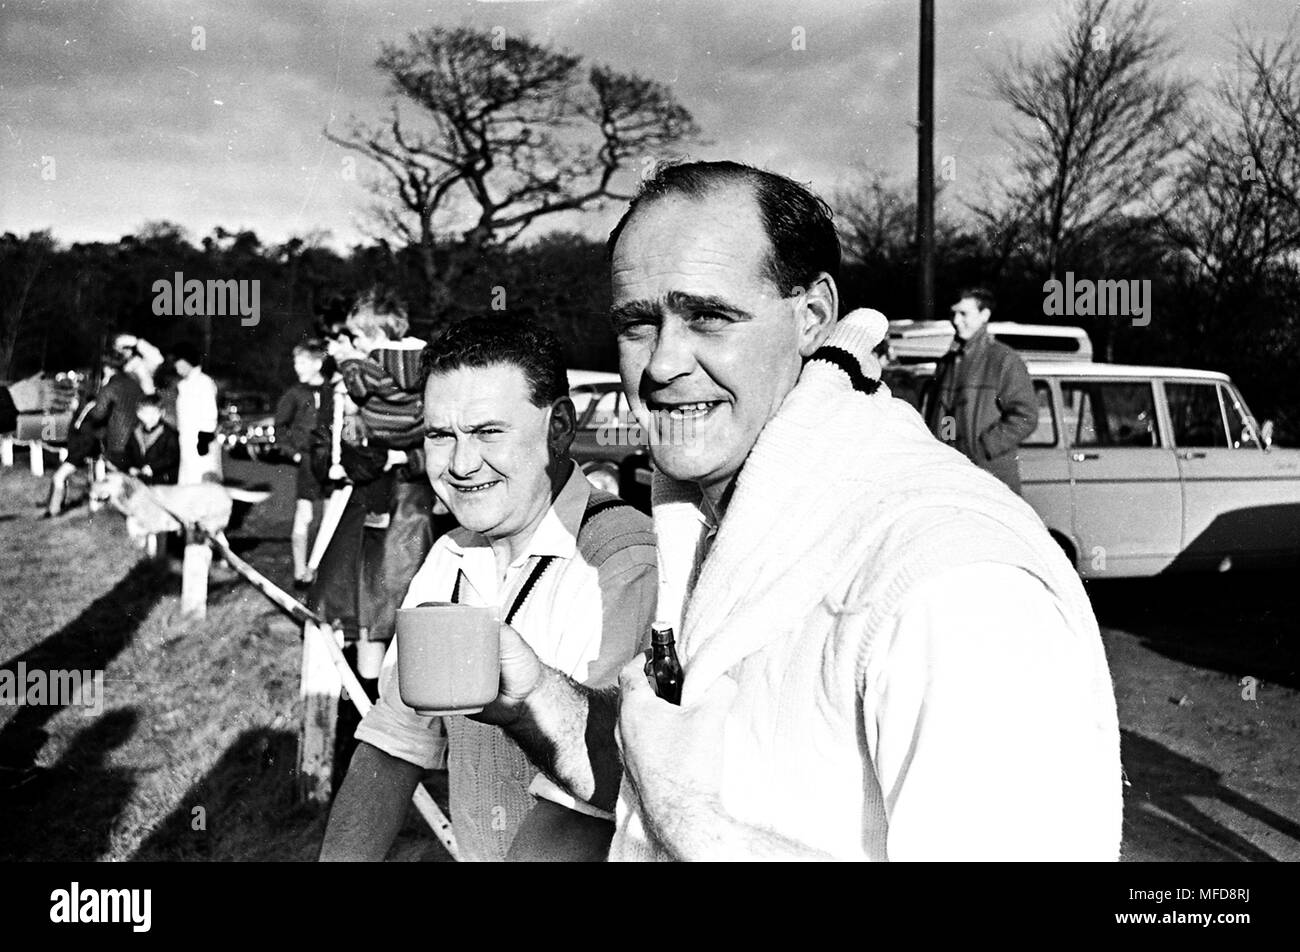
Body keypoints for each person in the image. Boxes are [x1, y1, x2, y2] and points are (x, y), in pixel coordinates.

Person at [463, 160, 1121, 861]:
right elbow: (668, 776)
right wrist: (541, 701)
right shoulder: (724, 519)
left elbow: (685, 800)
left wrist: (693, 820)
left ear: (812, 316)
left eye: (708, 317)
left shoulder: (953, 580)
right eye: (637, 324)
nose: (661, 365)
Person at [319, 318, 658, 863]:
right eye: (439, 435)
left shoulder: (619, 563)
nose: (460, 464)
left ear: (560, 426)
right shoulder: (451, 554)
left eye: (488, 432)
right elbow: (393, 745)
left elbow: (585, 809)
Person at [923, 288, 1038, 493]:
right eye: (953, 314)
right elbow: (947, 416)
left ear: (985, 315)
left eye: (964, 314)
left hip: (990, 479)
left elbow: (1025, 416)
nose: (956, 321)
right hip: (952, 476)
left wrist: (983, 447)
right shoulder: (948, 363)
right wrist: (947, 447)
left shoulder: (1004, 360)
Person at [275, 340, 330, 588]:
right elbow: (280, 427)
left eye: (303, 362)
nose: (297, 367)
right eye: (295, 362)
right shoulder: (294, 394)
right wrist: (292, 452)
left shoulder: (332, 390)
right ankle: (299, 572)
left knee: (330, 516)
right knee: (304, 515)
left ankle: (324, 568)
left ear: (318, 363)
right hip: (307, 460)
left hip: (330, 460)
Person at [171, 342, 221, 485]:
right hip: (187, 438)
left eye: (178, 363)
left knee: (201, 478)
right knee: (188, 477)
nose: (176, 367)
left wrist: (204, 436)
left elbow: (210, 411)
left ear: (187, 362)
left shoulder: (204, 382)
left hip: (200, 440)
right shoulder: (184, 385)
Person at [123, 394, 180, 485]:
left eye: (155, 413)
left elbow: (172, 456)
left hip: (162, 479)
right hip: (141, 478)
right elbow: (128, 452)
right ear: (139, 414)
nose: (151, 417)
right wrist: (130, 466)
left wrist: (153, 467)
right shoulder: (136, 432)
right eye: (146, 413)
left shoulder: (168, 433)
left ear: (162, 413)